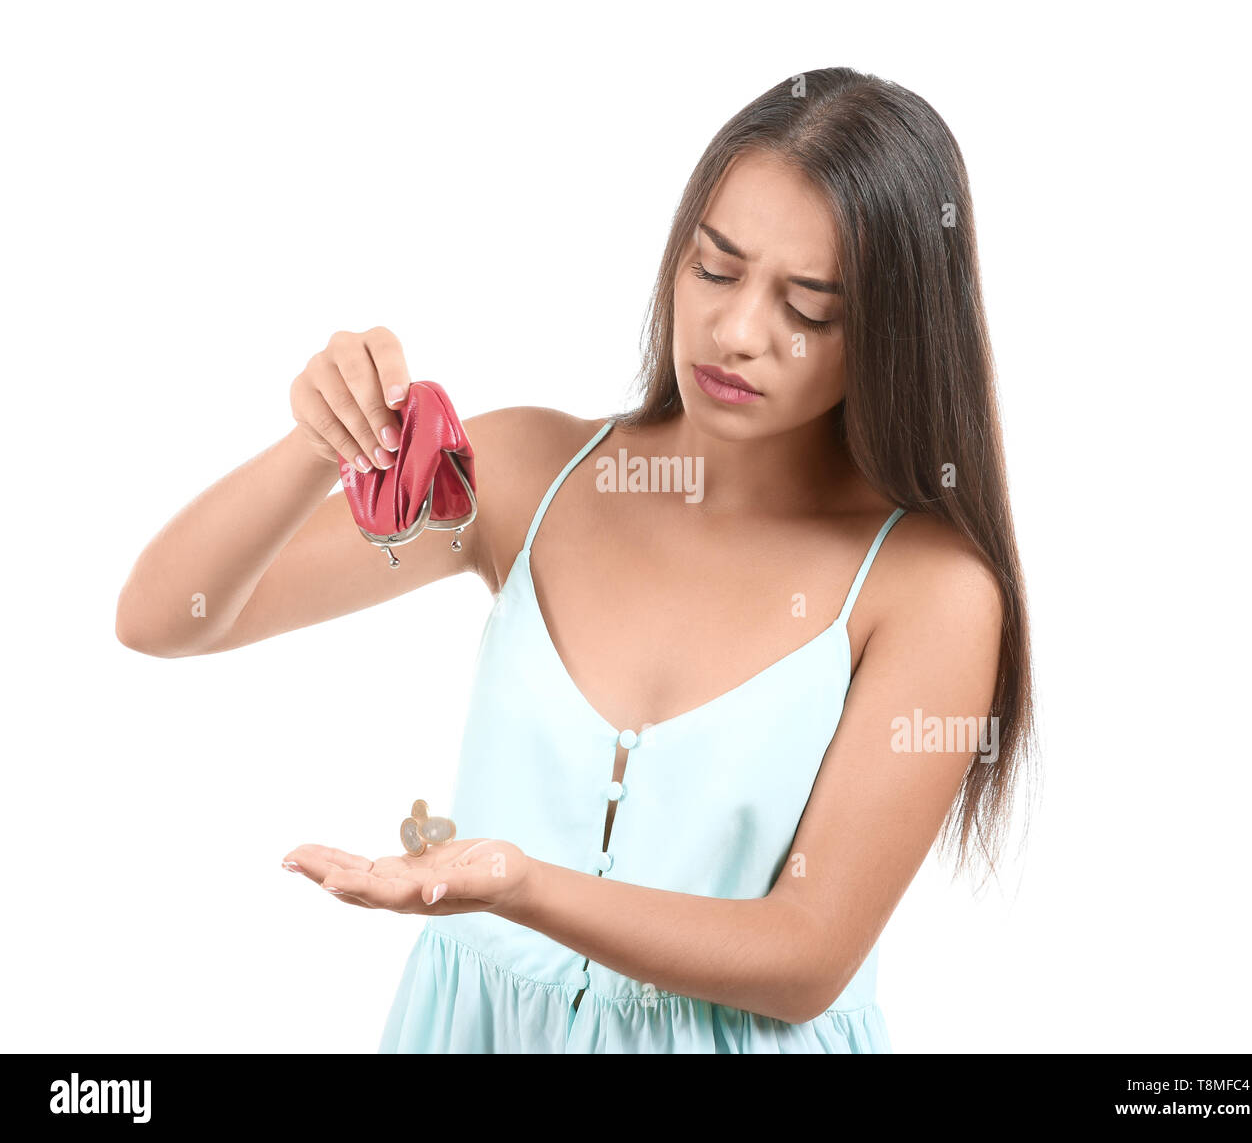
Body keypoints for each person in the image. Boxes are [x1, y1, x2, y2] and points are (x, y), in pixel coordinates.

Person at [116, 67, 1036, 1054]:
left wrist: (519, 887)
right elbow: (166, 616)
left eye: (808, 309)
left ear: (893, 335)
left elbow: (806, 956)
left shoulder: (928, 588)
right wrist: (321, 440)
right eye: (715, 269)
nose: (735, 332)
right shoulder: (523, 473)